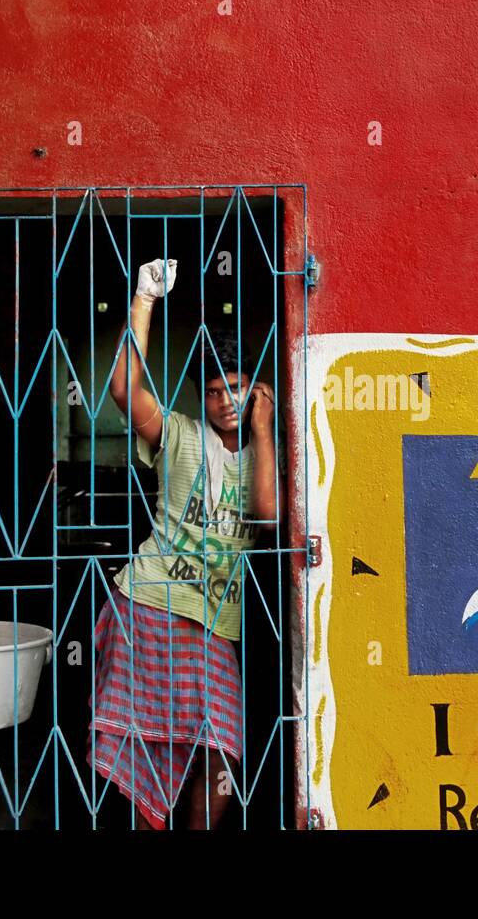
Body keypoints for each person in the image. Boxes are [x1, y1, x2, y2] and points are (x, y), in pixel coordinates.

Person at [88, 256, 276, 829]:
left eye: (239, 388)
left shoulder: (267, 458)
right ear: (203, 395)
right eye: (216, 390)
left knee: (222, 744)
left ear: (258, 390)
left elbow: (268, 517)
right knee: (149, 743)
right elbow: (123, 387)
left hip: (214, 622)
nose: (226, 401)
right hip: (146, 604)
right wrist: (144, 300)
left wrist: (263, 432)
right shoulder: (180, 436)